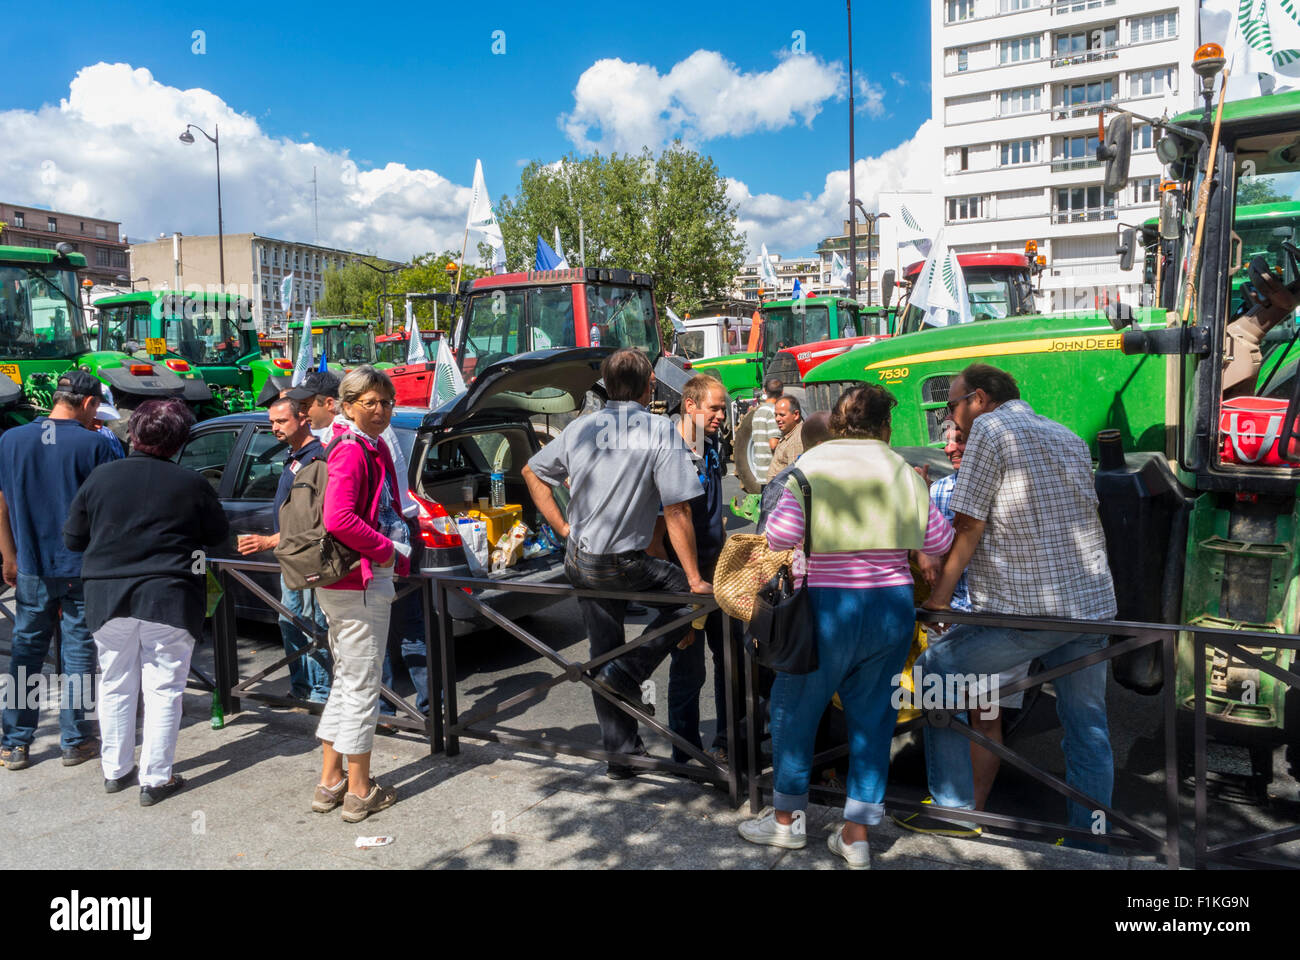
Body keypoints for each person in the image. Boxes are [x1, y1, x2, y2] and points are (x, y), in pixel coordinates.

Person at [895, 363, 1115, 844]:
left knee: (935, 672)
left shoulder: (991, 430)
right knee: (1087, 728)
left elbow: (969, 527)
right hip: (1092, 604)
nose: (951, 416)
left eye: (952, 405)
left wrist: (937, 600)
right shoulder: (1066, 435)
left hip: (1029, 610)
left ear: (978, 399)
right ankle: (1090, 838)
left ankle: (954, 812)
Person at [739, 384, 954, 869]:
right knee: (874, 721)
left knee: (795, 713)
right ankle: (856, 836)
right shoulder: (901, 469)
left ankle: (786, 823)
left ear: (836, 424)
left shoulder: (810, 467)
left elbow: (779, 534)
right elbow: (938, 538)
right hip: (890, 609)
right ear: (885, 427)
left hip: (825, 607)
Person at [523, 348, 712, 779]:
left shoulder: (582, 427)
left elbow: (533, 473)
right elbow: (678, 510)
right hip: (621, 562)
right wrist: (696, 578)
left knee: (601, 652)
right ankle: (627, 673)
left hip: (580, 558)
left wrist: (564, 528)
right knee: (688, 600)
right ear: (649, 386)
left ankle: (621, 757)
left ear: (606, 387)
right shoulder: (659, 429)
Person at [64, 399, 228, 803]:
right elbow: (219, 540)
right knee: (164, 687)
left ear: (134, 434)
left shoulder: (101, 478)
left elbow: (73, 540)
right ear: (178, 442)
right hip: (169, 595)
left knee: (115, 682)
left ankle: (116, 770)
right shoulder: (192, 483)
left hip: (106, 596)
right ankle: (155, 779)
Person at [0, 372, 119, 771]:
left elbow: (1, 504)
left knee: (26, 653)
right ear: (86, 403)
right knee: (79, 652)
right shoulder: (95, 445)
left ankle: (15, 743)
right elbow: (109, 511)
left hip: (31, 565)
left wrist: (8, 555)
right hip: (81, 567)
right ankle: (76, 739)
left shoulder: (11, 440)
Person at [310, 366, 409, 822]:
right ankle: (359, 790)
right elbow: (339, 519)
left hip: (349, 581)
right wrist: (388, 550)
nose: (381, 410)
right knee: (363, 687)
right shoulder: (352, 451)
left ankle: (330, 782)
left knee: (347, 683)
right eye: (370, 402)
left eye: (387, 402)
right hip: (360, 581)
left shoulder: (355, 446)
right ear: (346, 405)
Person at [926, 421, 1030, 812]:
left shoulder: (1006, 491)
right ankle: (958, 806)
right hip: (952, 626)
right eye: (948, 439)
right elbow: (930, 556)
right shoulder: (940, 490)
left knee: (980, 719)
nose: (950, 448)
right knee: (950, 718)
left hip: (987, 628)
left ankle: (970, 811)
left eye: (961, 440)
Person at [648, 374, 729, 764]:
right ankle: (685, 751)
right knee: (688, 664)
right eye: (714, 408)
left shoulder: (710, 444)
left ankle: (730, 743)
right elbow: (655, 534)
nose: (721, 416)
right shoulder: (668, 452)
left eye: (723, 408)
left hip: (719, 574)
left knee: (731, 657)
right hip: (686, 581)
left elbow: (714, 511)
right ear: (690, 405)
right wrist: (675, 593)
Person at [236, 396, 332, 704]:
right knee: (289, 621)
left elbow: (315, 521)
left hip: (306, 556)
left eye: (281, 421)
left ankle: (320, 693)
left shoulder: (317, 459)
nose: (275, 428)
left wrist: (269, 540)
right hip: (290, 556)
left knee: (309, 624)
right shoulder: (293, 456)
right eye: (272, 423)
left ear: (302, 418)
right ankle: (301, 687)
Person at [757, 411, 833, 533]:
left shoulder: (780, 485)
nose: (777, 419)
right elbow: (766, 539)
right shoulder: (783, 485)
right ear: (821, 446)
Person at [288, 369, 342, 444]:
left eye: (306, 405)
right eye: (299, 406)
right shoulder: (332, 436)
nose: (301, 413)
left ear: (329, 404)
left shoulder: (346, 443)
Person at [749, 378, 782, 487]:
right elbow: (773, 444)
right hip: (773, 473)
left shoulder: (758, 412)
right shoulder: (773, 412)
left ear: (764, 391)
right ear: (782, 392)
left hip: (761, 470)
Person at [767, 394, 804, 477]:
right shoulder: (789, 434)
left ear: (796, 415)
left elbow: (794, 477)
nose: (777, 419)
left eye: (782, 415)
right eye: (776, 415)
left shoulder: (796, 441)